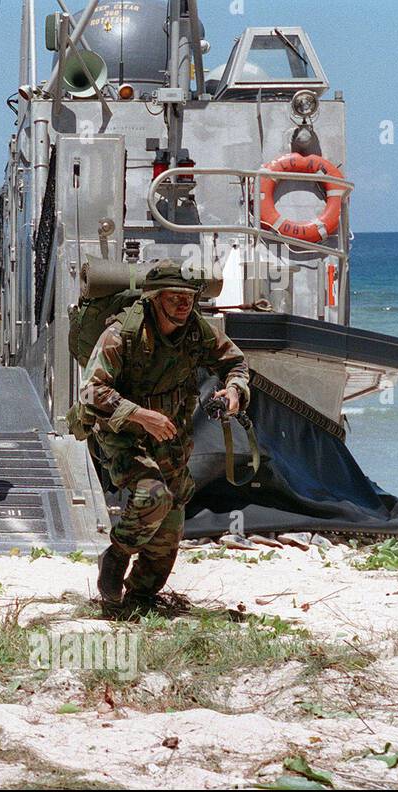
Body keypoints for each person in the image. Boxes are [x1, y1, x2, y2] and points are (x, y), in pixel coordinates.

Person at [77, 260, 250, 613]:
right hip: (123, 432)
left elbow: (235, 363)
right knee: (152, 495)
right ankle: (116, 554)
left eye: (188, 297)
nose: (183, 305)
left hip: (171, 434)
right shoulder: (122, 334)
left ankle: (139, 598)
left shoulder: (197, 331)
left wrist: (234, 390)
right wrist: (140, 414)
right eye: (174, 297)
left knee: (170, 525)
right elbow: (89, 392)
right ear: (154, 298)